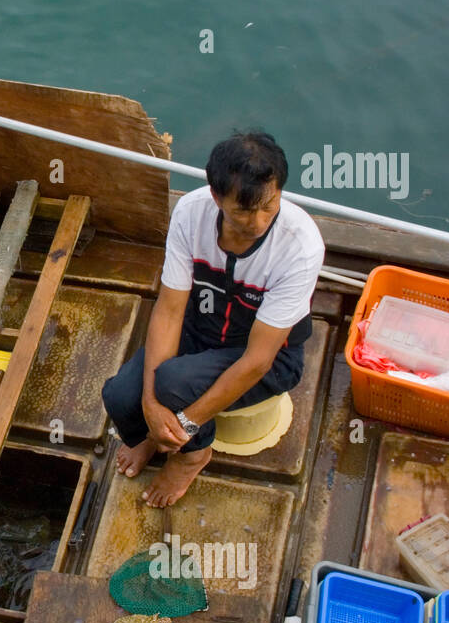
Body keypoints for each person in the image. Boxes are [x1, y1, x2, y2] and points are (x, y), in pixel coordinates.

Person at [101, 130, 324, 507]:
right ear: (217, 196)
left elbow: (256, 362)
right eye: (243, 210)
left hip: (266, 355)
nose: (258, 221)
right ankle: (158, 435)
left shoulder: (300, 247)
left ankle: (192, 456)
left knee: (171, 385)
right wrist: (150, 408)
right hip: (200, 327)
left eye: (269, 205)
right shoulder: (191, 212)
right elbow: (171, 310)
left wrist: (183, 427)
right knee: (121, 398)